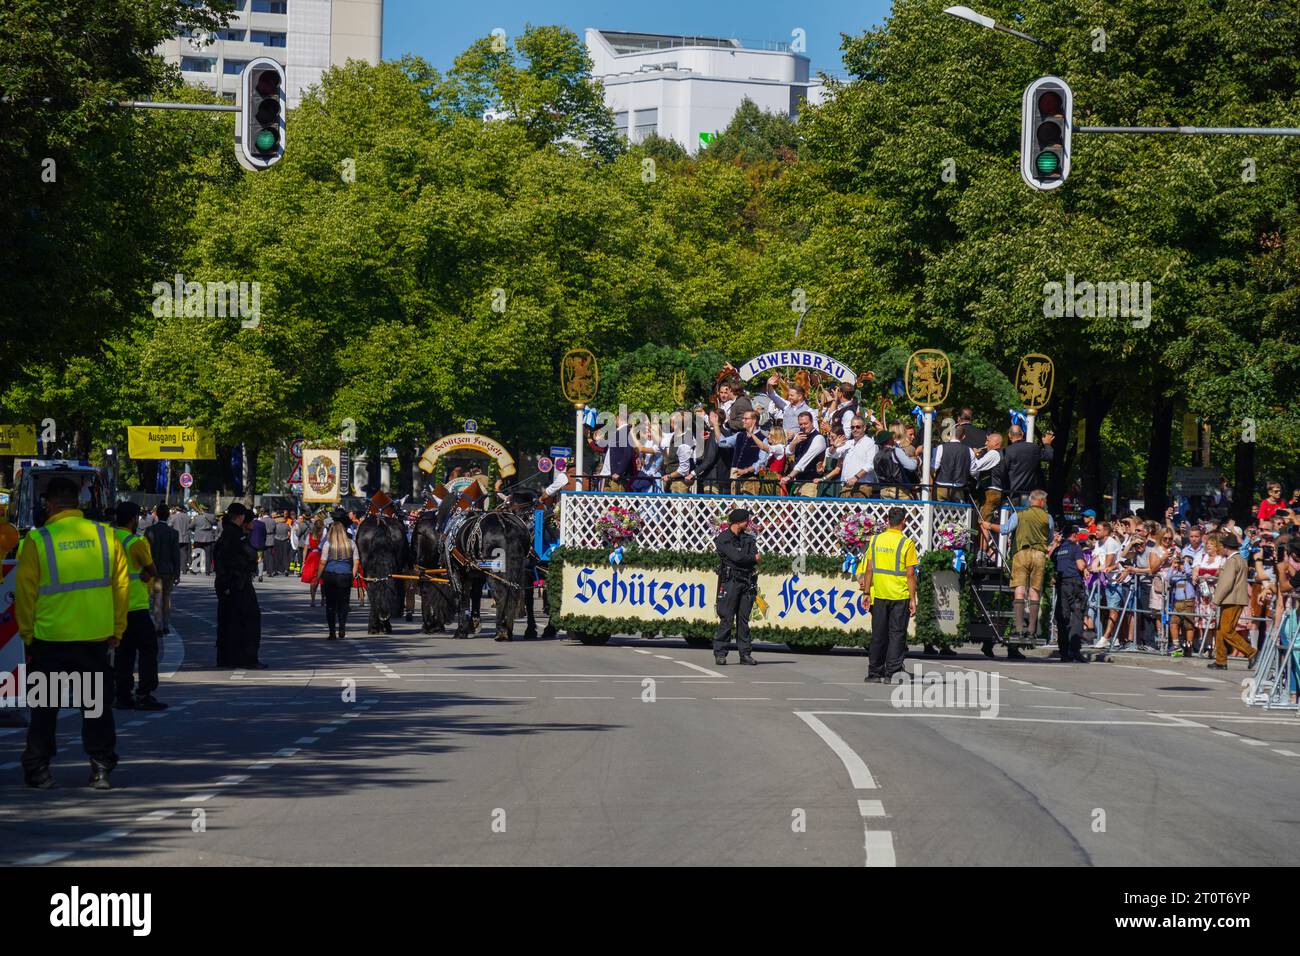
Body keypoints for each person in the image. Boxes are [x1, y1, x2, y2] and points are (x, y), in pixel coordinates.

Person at [16, 477, 129, 790]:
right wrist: (117, 629)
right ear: (79, 501)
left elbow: (25, 595)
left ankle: (39, 771)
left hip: (49, 640)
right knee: (95, 708)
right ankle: (101, 768)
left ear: (48, 503)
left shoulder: (38, 540)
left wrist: (28, 634)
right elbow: (121, 588)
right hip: (94, 641)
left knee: (44, 710)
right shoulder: (106, 536)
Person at [981, 489, 1054, 658]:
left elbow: (1006, 530)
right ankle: (1031, 629)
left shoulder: (1019, 514)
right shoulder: (1047, 517)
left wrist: (989, 525)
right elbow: (1049, 539)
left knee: (1019, 590)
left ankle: (1019, 628)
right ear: (1042, 502)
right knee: (1035, 591)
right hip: (1040, 555)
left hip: (1021, 553)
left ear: (1031, 501)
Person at [111, 501, 167, 711]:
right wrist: (148, 572)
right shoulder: (135, 542)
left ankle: (123, 695)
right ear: (134, 519)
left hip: (114, 605)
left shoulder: (108, 539)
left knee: (123, 653)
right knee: (148, 648)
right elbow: (152, 569)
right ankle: (144, 693)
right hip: (135, 605)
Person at [859, 506, 918, 682]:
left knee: (878, 634)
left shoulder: (875, 540)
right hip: (900, 595)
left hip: (879, 594)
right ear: (904, 522)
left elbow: (869, 569)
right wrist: (913, 599)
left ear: (887, 521)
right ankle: (892, 672)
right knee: (897, 634)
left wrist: (866, 592)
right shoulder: (907, 543)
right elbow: (910, 574)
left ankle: (874, 673)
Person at [214, 503, 266, 669]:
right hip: (239, 582)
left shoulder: (224, 534)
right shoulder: (237, 535)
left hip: (224, 582)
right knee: (250, 620)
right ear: (241, 516)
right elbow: (250, 555)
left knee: (227, 620)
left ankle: (225, 657)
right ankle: (249, 657)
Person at [713, 508, 760, 666]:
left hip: (747, 581)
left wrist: (749, 558)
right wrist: (751, 558)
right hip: (730, 581)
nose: (748, 523)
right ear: (738, 521)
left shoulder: (748, 538)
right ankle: (720, 653)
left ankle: (745, 654)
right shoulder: (723, 539)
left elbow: (753, 557)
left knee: (743, 620)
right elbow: (736, 557)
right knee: (727, 618)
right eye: (746, 520)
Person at [1208, 533, 1258, 670]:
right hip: (1236, 598)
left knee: (1226, 630)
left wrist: (1216, 600)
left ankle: (1251, 652)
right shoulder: (1241, 559)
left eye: (1222, 546)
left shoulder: (1232, 561)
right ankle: (1220, 660)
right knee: (1220, 630)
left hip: (1231, 599)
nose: (1221, 549)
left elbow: (1226, 583)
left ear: (1226, 547)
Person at [316, 509, 361, 640]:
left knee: (330, 604)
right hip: (345, 575)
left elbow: (323, 562)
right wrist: (351, 575)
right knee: (344, 604)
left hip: (330, 575)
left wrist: (317, 578)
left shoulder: (328, 544)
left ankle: (332, 632)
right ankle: (342, 627)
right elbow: (356, 561)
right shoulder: (351, 543)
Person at [1049, 522, 1089, 662]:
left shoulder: (1058, 549)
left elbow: (1049, 559)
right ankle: (1074, 650)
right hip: (1074, 585)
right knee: (1077, 615)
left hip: (1061, 586)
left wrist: (1054, 543)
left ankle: (1064, 653)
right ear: (1074, 535)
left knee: (1062, 618)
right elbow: (1080, 565)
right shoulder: (1075, 548)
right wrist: (1085, 567)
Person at [144, 503, 180, 636]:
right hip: (168, 570)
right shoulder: (173, 533)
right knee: (166, 596)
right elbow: (176, 554)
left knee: (156, 597)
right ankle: (165, 624)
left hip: (153, 568)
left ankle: (157, 625)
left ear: (157, 515)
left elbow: (145, 551)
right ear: (169, 515)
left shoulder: (149, 531)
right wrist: (177, 573)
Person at [779, 411, 827, 498]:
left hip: (811, 482)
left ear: (812, 422)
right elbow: (788, 452)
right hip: (798, 481)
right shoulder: (799, 435)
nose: (803, 426)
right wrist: (794, 442)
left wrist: (790, 476)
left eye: (806, 423)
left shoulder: (818, 438)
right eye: (800, 424)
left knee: (807, 510)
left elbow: (805, 460)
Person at [1002, 425, 1054, 502]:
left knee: (1016, 513)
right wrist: (1047, 444)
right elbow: (1049, 456)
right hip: (1031, 493)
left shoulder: (1007, 451)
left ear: (1009, 436)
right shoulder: (1034, 448)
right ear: (1022, 434)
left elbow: (1003, 471)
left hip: (1014, 492)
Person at [933, 424, 976, 502]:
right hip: (959, 487)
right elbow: (973, 471)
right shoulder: (969, 451)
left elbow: (934, 467)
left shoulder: (941, 448)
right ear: (963, 436)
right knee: (958, 512)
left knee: (939, 511)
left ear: (950, 434)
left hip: (941, 485)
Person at [300, 517, 324, 606]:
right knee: (322, 580)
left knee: (312, 580)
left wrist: (304, 561)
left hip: (312, 556)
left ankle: (313, 600)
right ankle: (323, 599)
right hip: (321, 556)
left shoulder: (310, 535)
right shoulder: (323, 536)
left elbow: (305, 549)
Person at [168, 502, 192, 584]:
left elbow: (169, 525)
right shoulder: (188, 517)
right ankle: (184, 569)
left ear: (176, 509)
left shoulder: (173, 516)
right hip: (185, 537)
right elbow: (191, 526)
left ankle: (176, 569)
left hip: (176, 538)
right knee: (184, 554)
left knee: (175, 554)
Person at [191, 504, 217, 574]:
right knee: (208, 555)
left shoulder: (197, 517)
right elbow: (215, 524)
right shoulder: (212, 516)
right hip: (208, 538)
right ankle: (207, 571)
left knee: (197, 553)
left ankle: (196, 569)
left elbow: (191, 526)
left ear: (202, 509)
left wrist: (195, 530)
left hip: (198, 537)